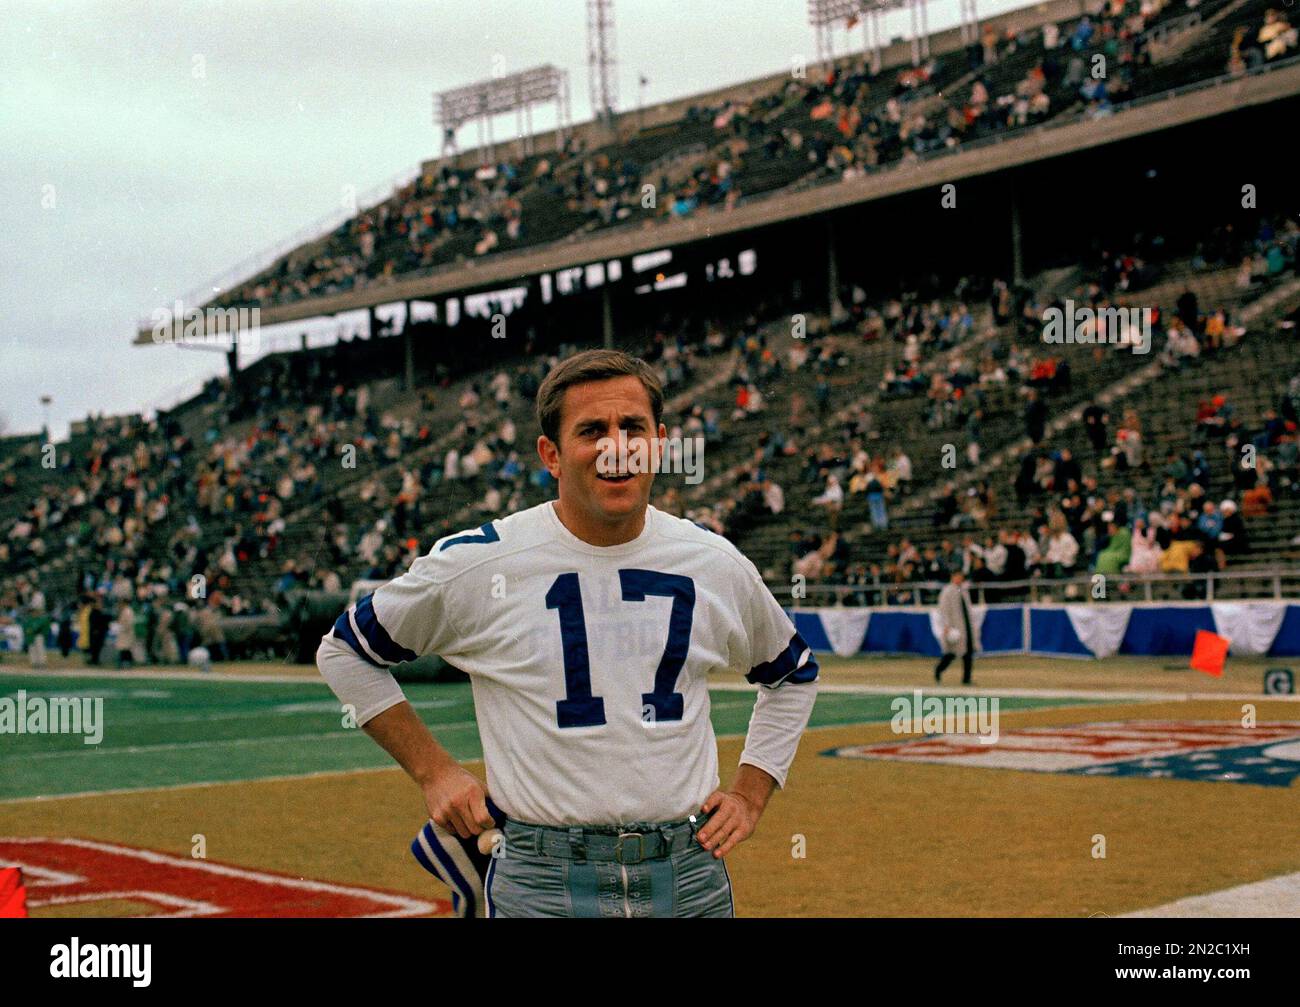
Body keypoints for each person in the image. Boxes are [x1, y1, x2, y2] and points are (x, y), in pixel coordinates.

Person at [317, 349, 818, 918]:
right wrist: (435, 773)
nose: (616, 446)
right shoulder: (483, 563)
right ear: (551, 455)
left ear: (660, 441)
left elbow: (792, 674)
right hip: (543, 879)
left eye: (632, 427)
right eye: (592, 431)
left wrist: (751, 795)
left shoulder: (711, 561)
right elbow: (345, 651)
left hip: (689, 873)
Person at [934, 570, 975, 685]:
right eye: (958, 576)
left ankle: (966, 679)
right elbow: (943, 609)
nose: (960, 579)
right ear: (953, 577)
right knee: (951, 653)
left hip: (965, 626)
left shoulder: (963, 591)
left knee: (968, 653)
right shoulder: (947, 591)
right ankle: (938, 670)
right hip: (954, 627)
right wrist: (947, 625)